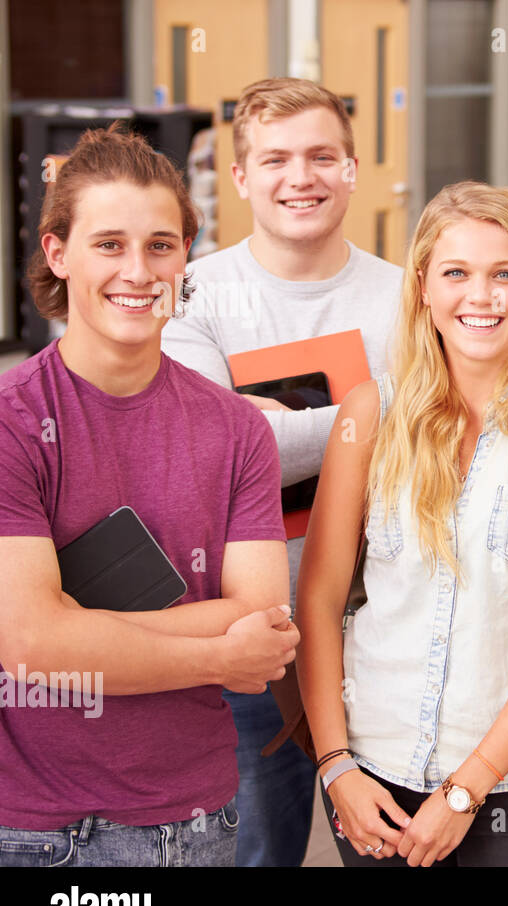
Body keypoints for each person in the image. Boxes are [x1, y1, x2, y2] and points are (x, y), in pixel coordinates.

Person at [295, 182, 508, 867]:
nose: (482, 296)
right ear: (422, 287)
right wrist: (334, 766)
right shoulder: (369, 415)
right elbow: (319, 601)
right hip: (372, 781)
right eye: (456, 273)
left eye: (505, 274)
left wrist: (465, 790)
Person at [0, 123, 297, 866]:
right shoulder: (11, 421)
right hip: (46, 831)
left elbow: (263, 624)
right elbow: (33, 646)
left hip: (202, 821)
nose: (138, 270)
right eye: (109, 244)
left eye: (161, 245)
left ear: (184, 258)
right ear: (57, 253)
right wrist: (217, 653)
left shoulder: (236, 430)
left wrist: (84, 630)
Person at [161, 77, 402, 867]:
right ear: (239, 179)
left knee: (395, 851)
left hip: (383, 634)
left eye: (321, 156)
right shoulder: (193, 297)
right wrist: (385, 407)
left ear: (354, 168)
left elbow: (446, 440)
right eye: (276, 159)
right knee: (254, 857)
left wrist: (267, 425)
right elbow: (215, 457)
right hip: (248, 640)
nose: (300, 177)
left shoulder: (406, 299)